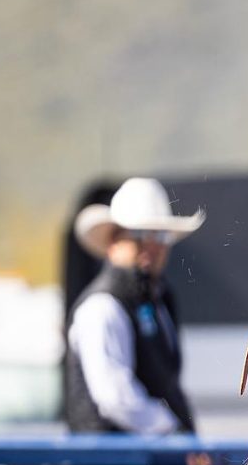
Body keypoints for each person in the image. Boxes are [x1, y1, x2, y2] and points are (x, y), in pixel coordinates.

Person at [66, 177, 203, 436]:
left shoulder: (157, 300)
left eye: (160, 235)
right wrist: (174, 431)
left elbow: (165, 384)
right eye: (139, 234)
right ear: (113, 241)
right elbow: (115, 397)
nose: (152, 245)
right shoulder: (102, 306)